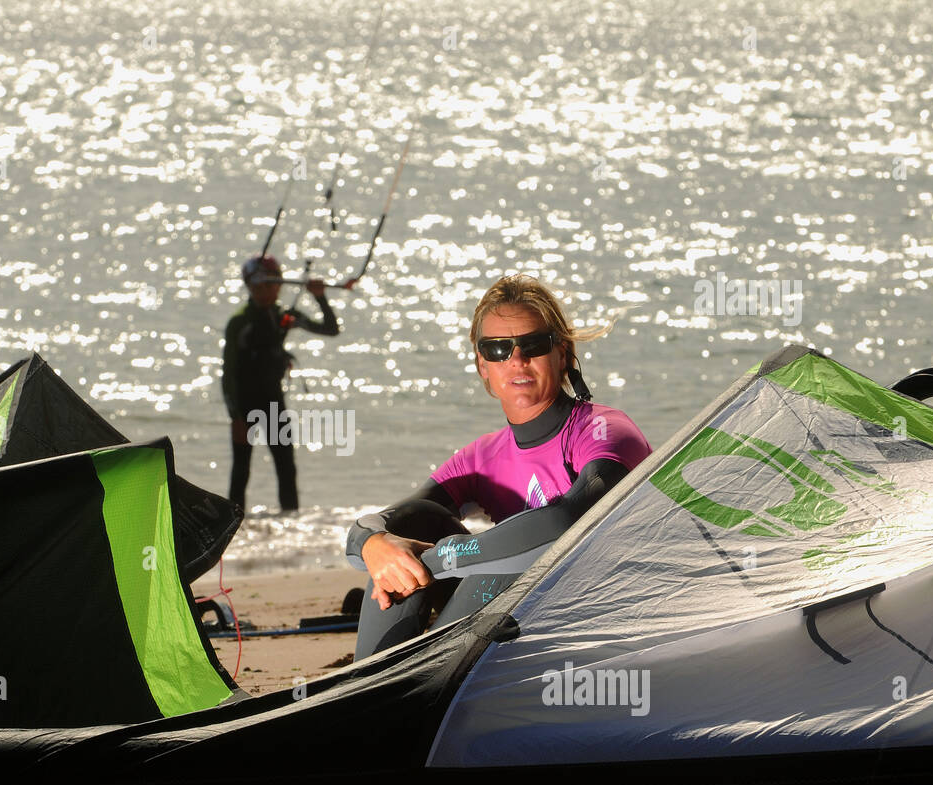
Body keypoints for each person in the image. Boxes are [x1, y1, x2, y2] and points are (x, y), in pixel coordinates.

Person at [345, 273, 652, 660]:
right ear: (482, 365)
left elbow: (565, 522)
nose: (517, 360)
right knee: (407, 529)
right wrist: (375, 546)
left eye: (534, 344)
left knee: (501, 570)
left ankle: (416, 678)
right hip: (514, 624)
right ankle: (369, 677)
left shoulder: (604, 431)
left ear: (563, 354)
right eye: (497, 349)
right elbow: (375, 529)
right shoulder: (480, 457)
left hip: (599, 623)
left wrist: (441, 558)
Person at [222, 254, 340, 512]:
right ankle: (233, 527)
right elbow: (228, 374)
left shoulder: (284, 316)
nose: (265, 292)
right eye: (258, 287)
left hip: (274, 402)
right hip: (244, 405)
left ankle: (291, 525)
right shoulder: (240, 321)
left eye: (271, 286)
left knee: (286, 466)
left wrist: (319, 296)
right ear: (250, 288)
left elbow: (331, 329)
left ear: (279, 286)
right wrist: (236, 417)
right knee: (241, 469)